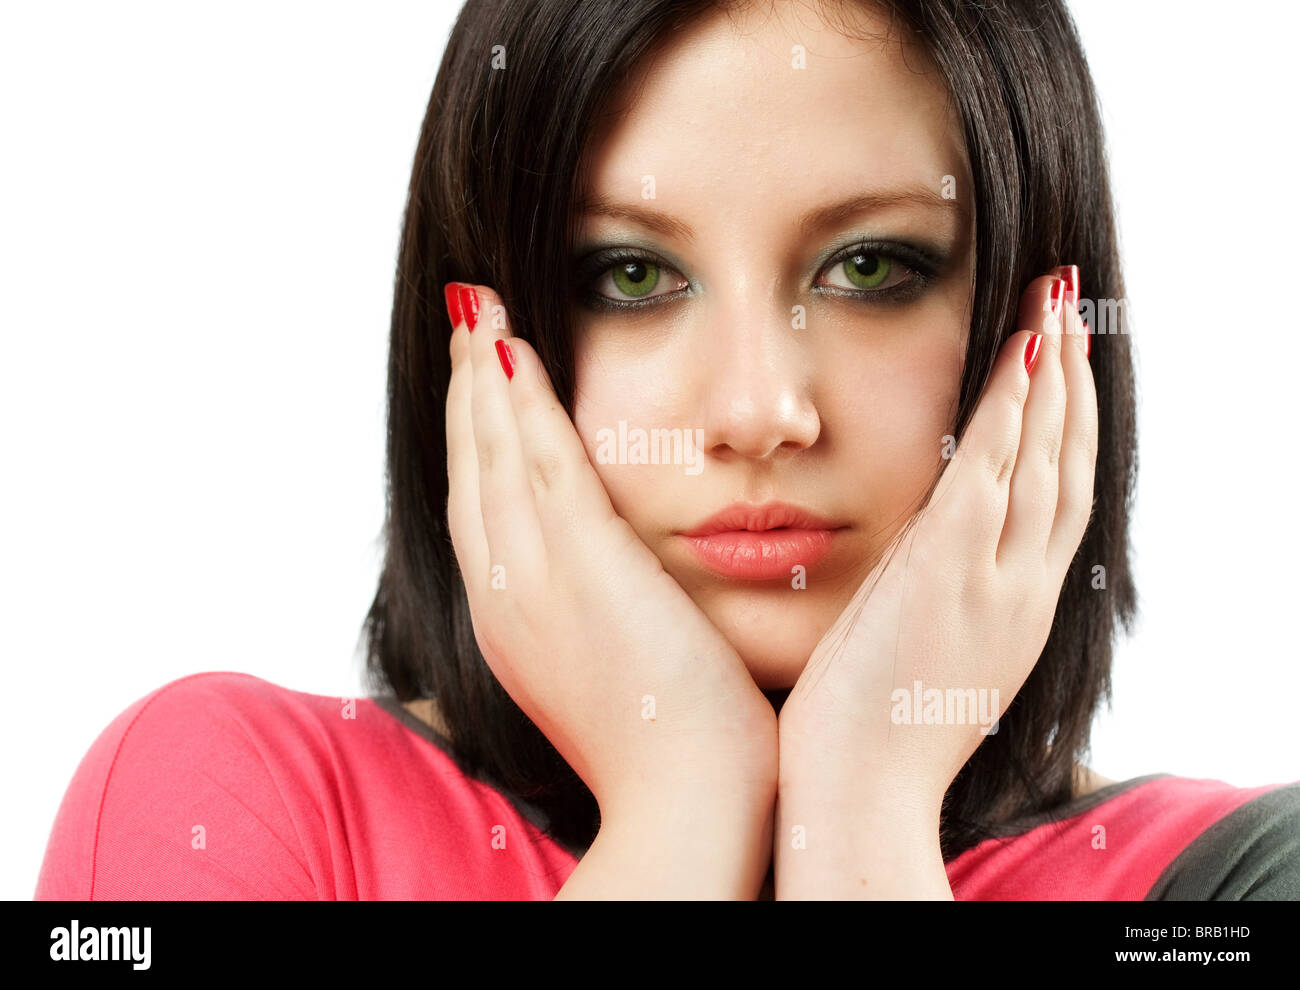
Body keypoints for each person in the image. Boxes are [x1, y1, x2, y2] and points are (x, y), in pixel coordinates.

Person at [35, 0, 1300, 900]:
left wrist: (861, 809)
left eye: (871, 267)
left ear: (1041, 316)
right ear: (492, 324)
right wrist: (681, 805)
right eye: (632, 274)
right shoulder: (221, 801)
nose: (758, 412)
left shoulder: (1233, 887)